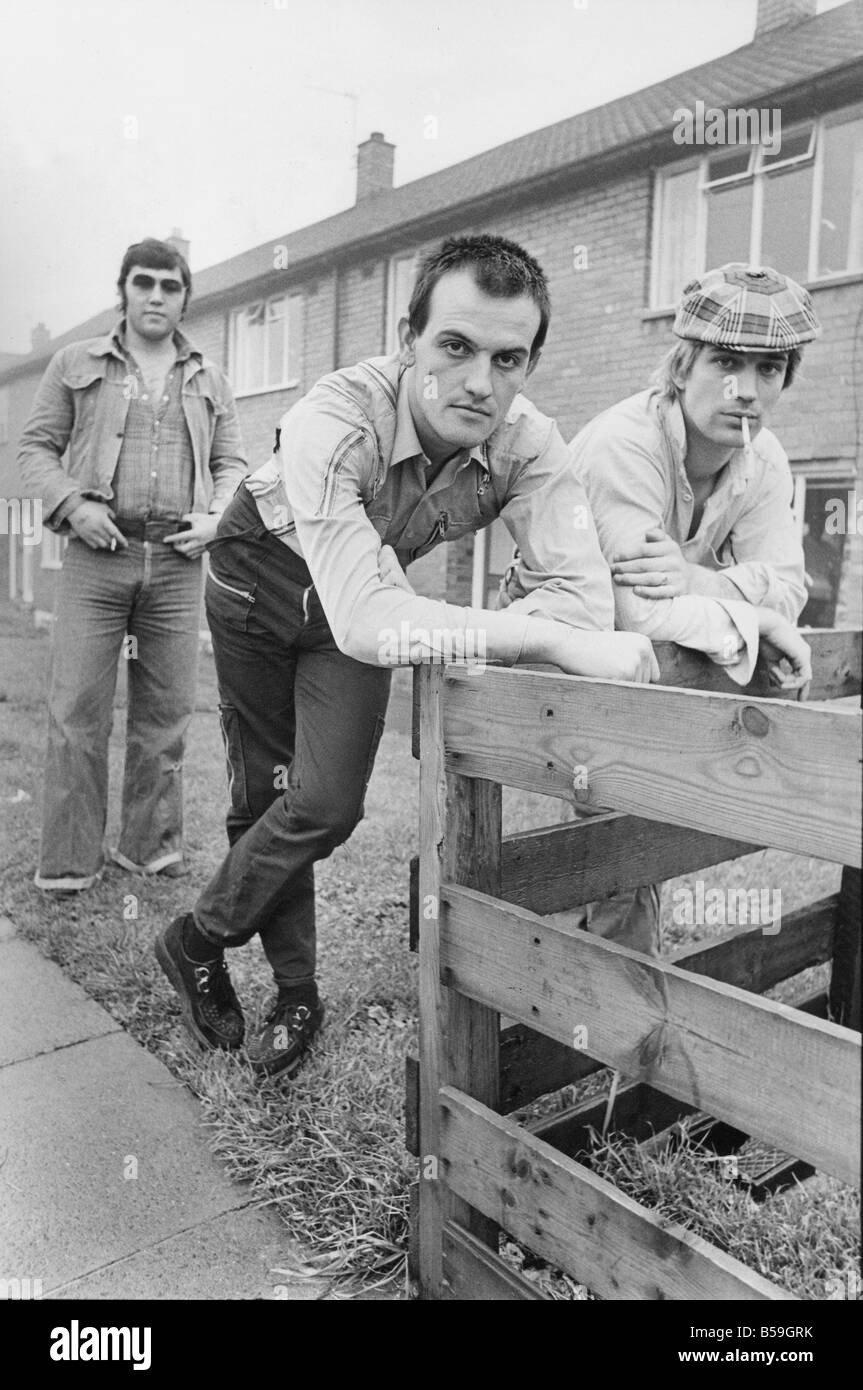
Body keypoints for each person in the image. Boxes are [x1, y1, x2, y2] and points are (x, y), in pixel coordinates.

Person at [154, 233, 659, 1076]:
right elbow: (376, 622)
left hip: (370, 591)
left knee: (325, 803)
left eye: (508, 359)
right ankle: (296, 991)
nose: (478, 382)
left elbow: (580, 596)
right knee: (264, 792)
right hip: (261, 576)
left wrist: (568, 622)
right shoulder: (335, 412)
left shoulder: (531, 444)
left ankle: (194, 938)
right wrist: (544, 634)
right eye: (454, 347)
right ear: (407, 338)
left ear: (530, 363)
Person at [503, 262, 817, 954]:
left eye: (769, 370)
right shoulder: (625, 444)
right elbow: (631, 616)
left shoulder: (761, 458)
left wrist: (694, 580)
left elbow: (792, 585)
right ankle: (602, 994)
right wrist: (755, 617)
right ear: (681, 365)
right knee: (615, 803)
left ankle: (594, 965)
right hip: (556, 633)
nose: (746, 391)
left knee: (651, 811)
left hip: (661, 647)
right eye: (725, 362)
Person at [18, 237, 248, 891]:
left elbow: (233, 464)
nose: (155, 295)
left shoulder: (209, 376)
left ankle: (147, 848)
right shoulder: (75, 361)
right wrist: (71, 503)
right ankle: (67, 861)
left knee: (166, 713)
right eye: (143, 282)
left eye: (169, 285)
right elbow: (35, 448)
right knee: (76, 710)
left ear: (184, 297)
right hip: (96, 557)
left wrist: (217, 519)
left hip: (177, 561)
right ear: (123, 290)